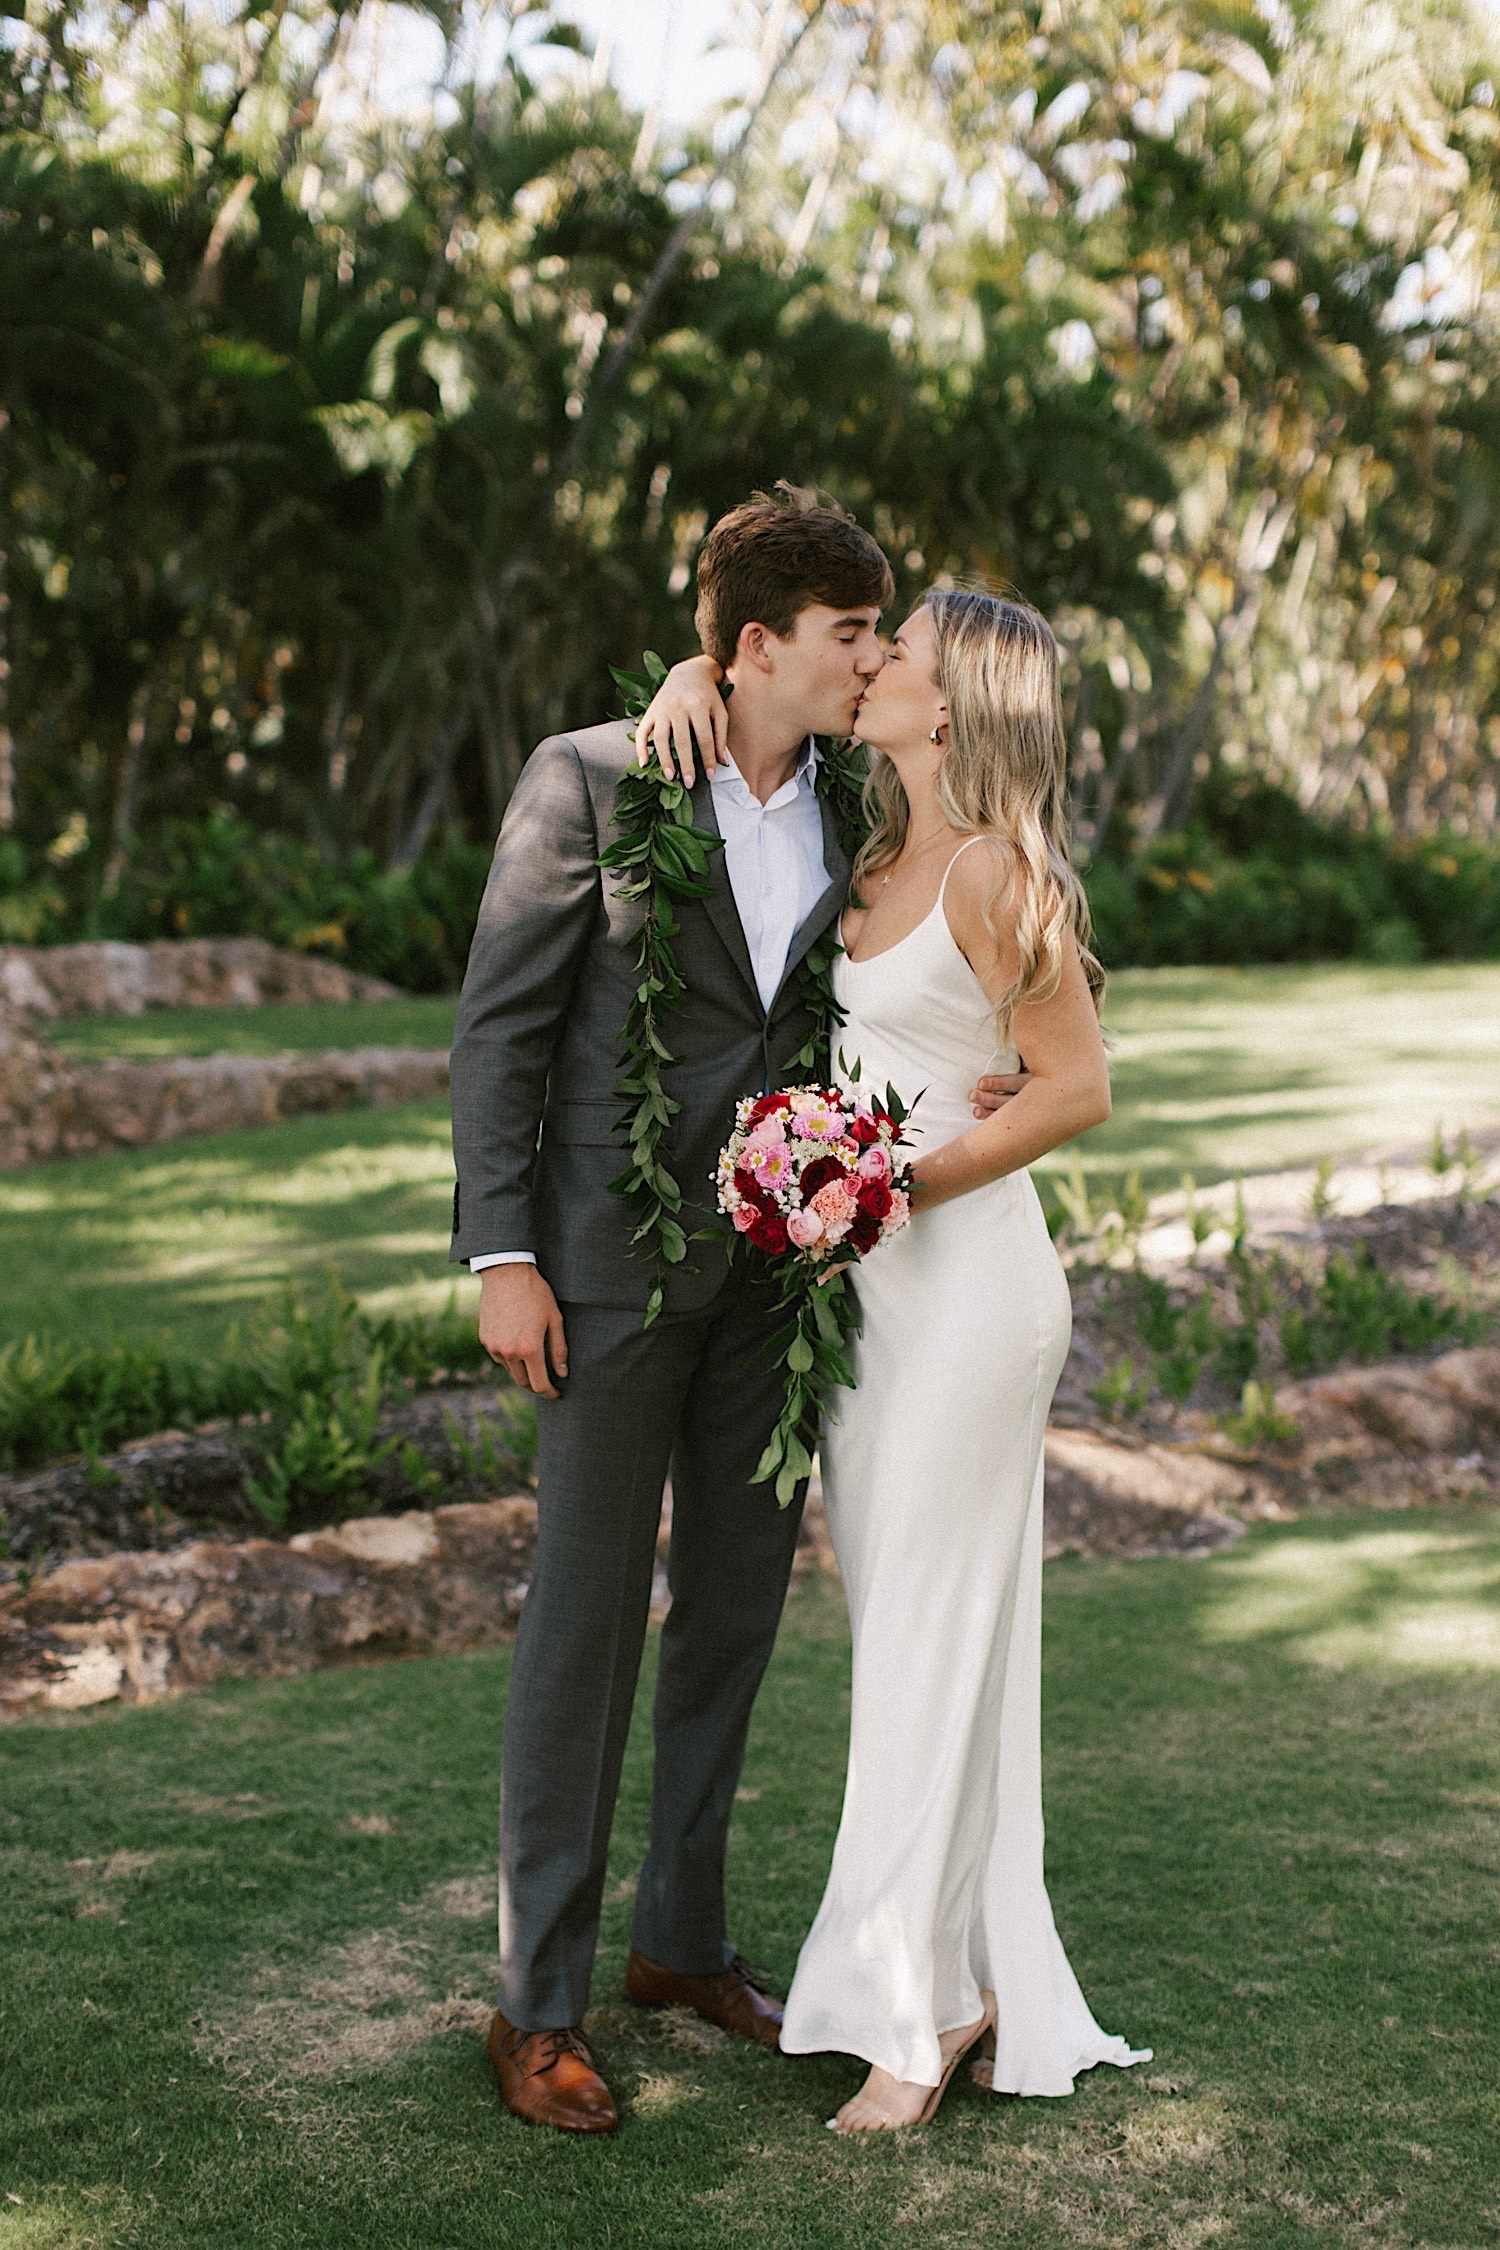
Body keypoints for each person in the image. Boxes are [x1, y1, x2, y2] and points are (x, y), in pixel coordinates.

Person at [449, 492, 1014, 2135]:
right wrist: (503, 1253)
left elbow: (916, 965)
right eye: (850, 635)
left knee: (735, 1620)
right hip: (605, 1279)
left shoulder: (854, 797)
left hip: (779, 1281)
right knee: (584, 1630)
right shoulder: (597, 777)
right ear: (755, 644)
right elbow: (501, 1031)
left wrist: (977, 1071)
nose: (872, 660)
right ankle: (534, 2003)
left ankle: (679, 1940)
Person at [635, 588, 1150, 2131]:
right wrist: (687, 665)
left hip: (971, 1294)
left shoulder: (994, 869)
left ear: (951, 706)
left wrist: (895, 1182)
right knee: (924, 1641)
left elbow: (1076, 1091)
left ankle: (911, 2019)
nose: (870, 664)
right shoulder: (875, 842)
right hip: (870, 1305)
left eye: (899, 653)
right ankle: (978, 1974)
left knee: (929, 1641)